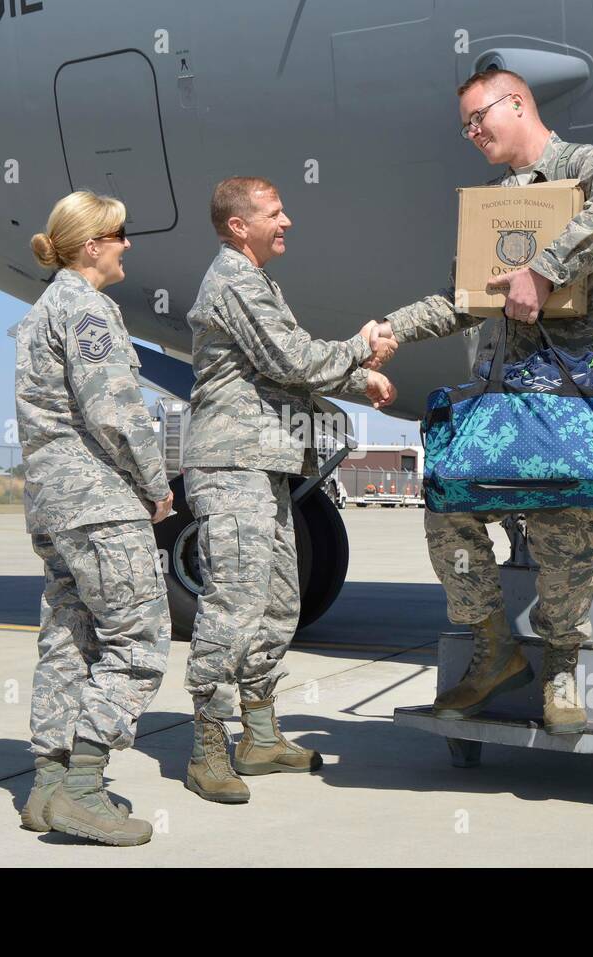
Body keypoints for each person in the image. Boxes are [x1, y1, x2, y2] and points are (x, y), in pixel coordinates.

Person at [371, 68, 593, 733]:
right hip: (510, 387)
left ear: (518, 104)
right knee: (448, 506)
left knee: (565, 524)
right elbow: (464, 298)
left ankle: (562, 667)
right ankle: (493, 643)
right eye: (466, 126)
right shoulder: (495, 204)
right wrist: (394, 327)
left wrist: (545, 268)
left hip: (579, 382)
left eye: (480, 118)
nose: (473, 133)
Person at [181, 176, 396, 803]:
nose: (288, 222)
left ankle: (261, 735)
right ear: (238, 225)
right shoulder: (233, 280)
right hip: (233, 467)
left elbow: (278, 373)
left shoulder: (258, 282)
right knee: (233, 605)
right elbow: (292, 360)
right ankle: (207, 747)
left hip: (266, 468)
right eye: (276, 213)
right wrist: (362, 346)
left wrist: (360, 381)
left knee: (277, 604)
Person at [14, 190, 175, 845]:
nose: (128, 244)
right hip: (99, 504)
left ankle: (48, 785)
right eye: (119, 233)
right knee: (138, 643)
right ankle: (84, 787)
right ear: (91, 246)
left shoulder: (41, 312)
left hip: (53, 506)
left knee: (68, 642)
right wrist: (157, 483)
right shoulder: (87, 309)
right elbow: (116, 410)